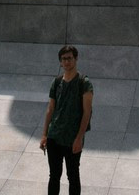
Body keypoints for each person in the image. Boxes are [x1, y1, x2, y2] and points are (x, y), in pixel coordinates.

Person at [40, 45, 93, 195]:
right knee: (54, 176)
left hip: (72, 139)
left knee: (73, 177)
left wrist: (79, 138)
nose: (67, 61)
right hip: (54, 137)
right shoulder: (56, 83)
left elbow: (86, 112)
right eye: (64, 59)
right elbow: (50, 109)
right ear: (60, 62)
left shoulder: (84, 83)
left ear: (76, 59)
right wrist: (44, 134)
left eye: (70, 58)